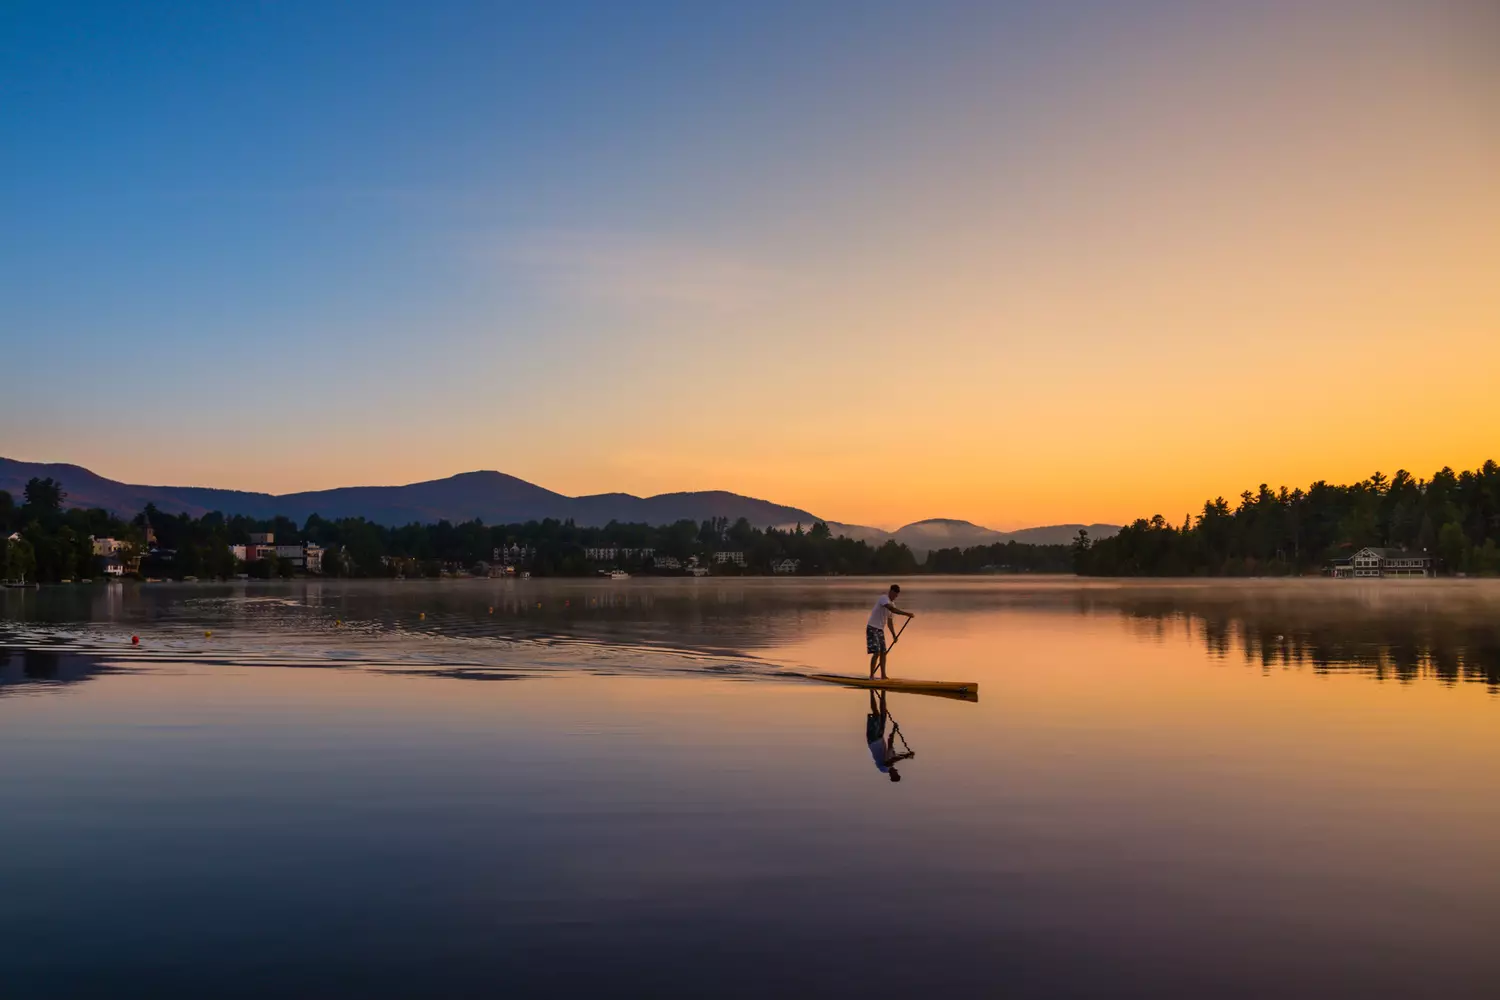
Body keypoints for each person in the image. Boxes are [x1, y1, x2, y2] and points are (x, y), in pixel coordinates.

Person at [867, 583, 914, 679]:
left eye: (897, 596)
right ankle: (871, 676)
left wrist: (894, 635)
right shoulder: (883, 598)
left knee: (883, 652)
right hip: (872, 628)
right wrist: (906, 614)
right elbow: (892, 609)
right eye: (895, 595)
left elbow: (889, 623)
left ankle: (883, 676)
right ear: (891, 592)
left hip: (880, 629)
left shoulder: (892, 603)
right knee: (877, 652)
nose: (895, 597)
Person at [866, 690, 915, 782]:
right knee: (883, 713)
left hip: (873, 740)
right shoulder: (892, 758)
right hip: (880, 737)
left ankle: (872, 691)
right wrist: (894, 729)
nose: (895, 772)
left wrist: (905, 756)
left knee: (876, 714)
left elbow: (889, 762)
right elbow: (890, 742)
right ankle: (883, 692)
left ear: (892, 776)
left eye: (895, 774)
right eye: (897, 773)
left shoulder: (883, 769)